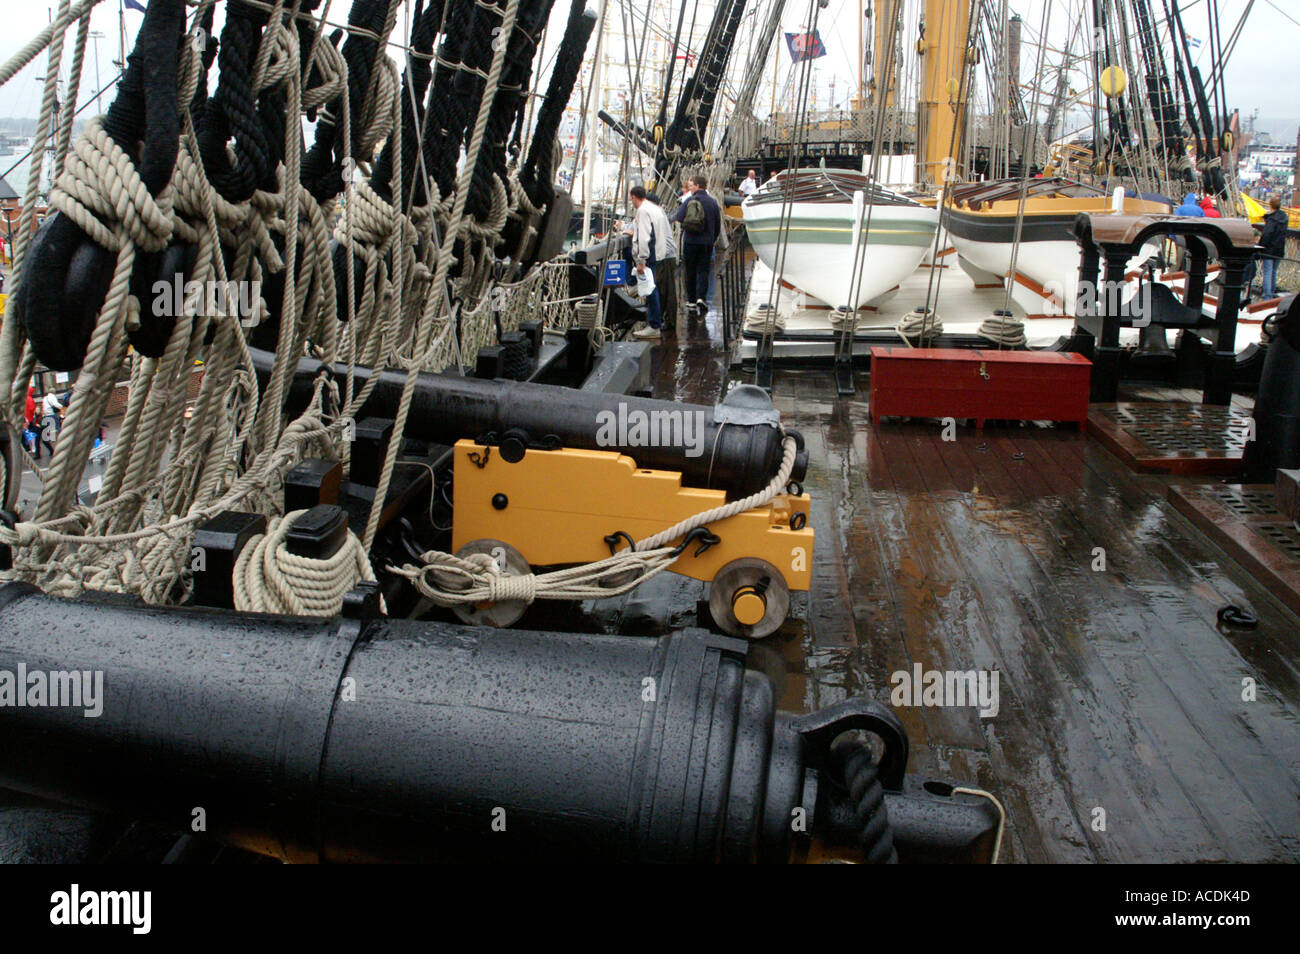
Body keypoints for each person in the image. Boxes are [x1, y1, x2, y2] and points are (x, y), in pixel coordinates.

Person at [671, 175, 722, 317]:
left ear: (698, 186)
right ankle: (701, 298)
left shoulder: (690, 200)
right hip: (706, 243)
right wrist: (712, 239)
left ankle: (692, 300)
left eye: (692, 185)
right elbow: (717, 224)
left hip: (691, 241)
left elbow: (679, 217)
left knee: (690, 270)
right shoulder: (712, 202)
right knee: (703, 270)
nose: (690, 188)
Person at [624, 185, 664, 340]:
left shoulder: (642, 211)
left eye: (631, 198)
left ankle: (654, 325)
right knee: (651, 288)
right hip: (657, 254)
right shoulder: (654, 208)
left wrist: (641, 261)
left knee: (650, 290)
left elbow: (645, 236)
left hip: (649, 256)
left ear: (634, 196)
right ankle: (655, 323)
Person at [1259, 195, 1288, 300]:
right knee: (1274, 272)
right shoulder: (1284, 218)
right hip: (1280, 249)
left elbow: (1267, 234)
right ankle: (1271, 293)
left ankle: (1267, 296)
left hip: (1269, 250)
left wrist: (1261, 246)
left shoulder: (1271, 220)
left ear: (1271, 206)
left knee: (1267, 272)